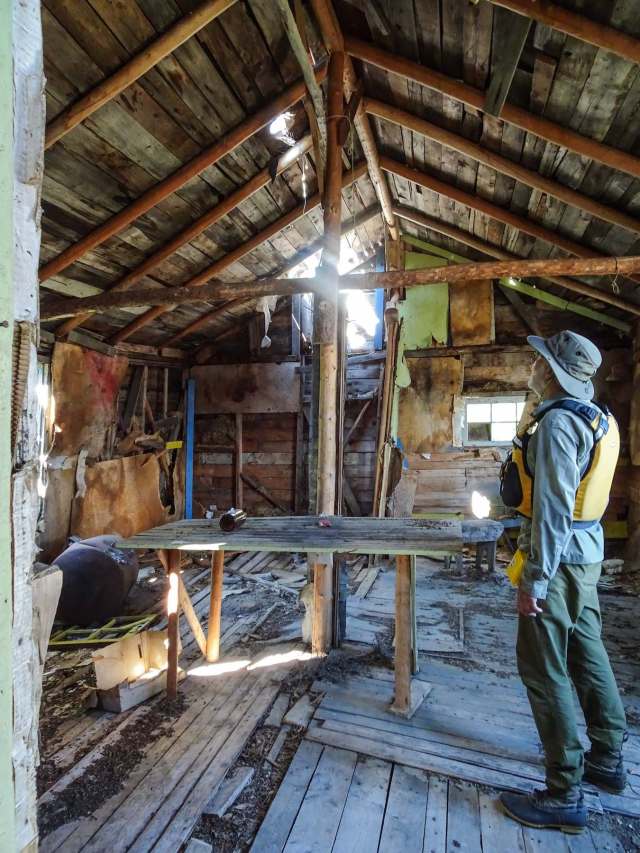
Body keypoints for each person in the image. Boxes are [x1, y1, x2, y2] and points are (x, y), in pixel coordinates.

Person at [499, 331, 627, 834]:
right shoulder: (600, 418)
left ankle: (563, 791)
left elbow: (552, 510)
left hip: (557, 560)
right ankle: (608, 759)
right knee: (586, 651)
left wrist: (535, 579)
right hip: (586, 557)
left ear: (553, 372)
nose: (534, 365)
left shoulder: (556, 425)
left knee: (542, 665)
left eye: (540, 360)